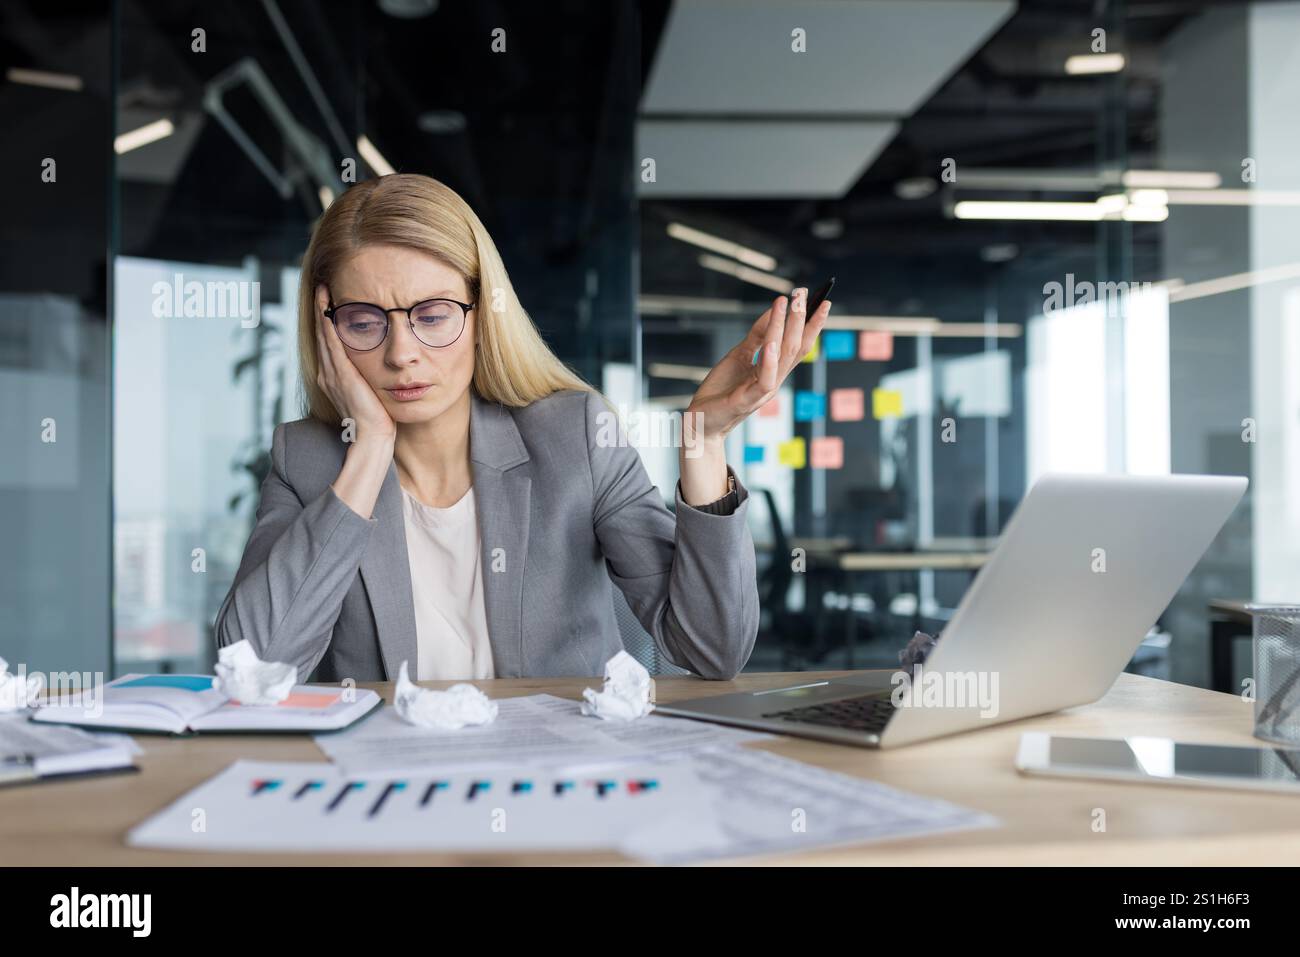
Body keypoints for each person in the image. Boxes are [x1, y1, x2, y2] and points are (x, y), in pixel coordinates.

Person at [213, 174, 829, 683]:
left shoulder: (574, 437)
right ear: (326, 328)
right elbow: (253, 667)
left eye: (432, 315)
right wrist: (369, 449)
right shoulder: (308, 460)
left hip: (553, 787)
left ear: (484, 316)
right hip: (389, 799)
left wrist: (704, 439)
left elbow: (710, 651)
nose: (402, 353)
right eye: (364, 321)